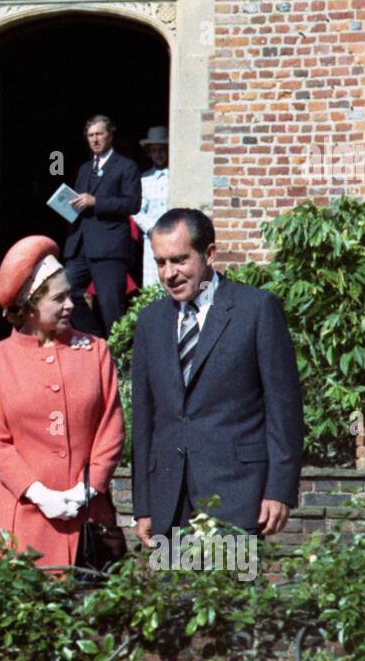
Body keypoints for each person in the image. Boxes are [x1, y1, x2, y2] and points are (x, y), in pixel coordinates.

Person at [130, 208, 303, 545]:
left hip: (237, 498)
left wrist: (279, 490)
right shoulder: (151, 321)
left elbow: (284, 410)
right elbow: (144, 420)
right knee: (172, 598)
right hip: (170, 504)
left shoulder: (256, 310)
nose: (169, 274)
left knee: (231, 597)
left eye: (179, 260)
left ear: (209, 254)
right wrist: (144, 505)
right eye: (160, 262)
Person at [0, 235, 124, 572]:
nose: (70, 305)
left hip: (87, 521)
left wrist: (88, 489)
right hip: (20, 521)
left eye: (69, 296)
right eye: (58, 299)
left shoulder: (96, 351)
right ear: (29, 306)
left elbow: (111, 427)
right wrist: (39, 493)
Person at [62, 115, 142, 337]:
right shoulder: (85, 168)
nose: (95, 139)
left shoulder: (126, 167)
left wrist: (95, 201)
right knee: (64, 291)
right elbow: (80, 202)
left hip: (109, 247)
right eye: (90, 135)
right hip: (80, 244)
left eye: (99, 134)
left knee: (111, 307)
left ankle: (120, 361)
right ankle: (96, 337)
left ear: (110, 135)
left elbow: (132, 203)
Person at [133, 126, 171, 288]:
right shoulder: (144, 179)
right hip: (152, 238)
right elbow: (136, 209)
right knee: (153, 282)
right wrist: (151, 228)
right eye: (154, 151)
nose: (158, 154)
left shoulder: (177, 176)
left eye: (161, 150)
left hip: (173, 235)